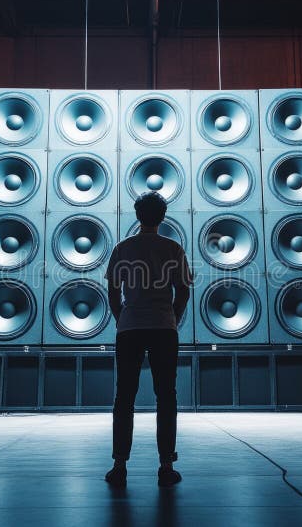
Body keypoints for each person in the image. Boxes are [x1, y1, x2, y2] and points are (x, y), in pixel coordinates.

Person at [103, 191, 192, 488]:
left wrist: (121, 318)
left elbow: (113, 291)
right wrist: (173, 318)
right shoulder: (173, 248)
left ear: (137, 215)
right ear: (162, 216)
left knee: (124, 397)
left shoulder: (122, 248)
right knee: (166, 396)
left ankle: (119, 466)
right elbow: (184, 290)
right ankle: (166, 466)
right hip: (164, 329)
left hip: (129, 329)